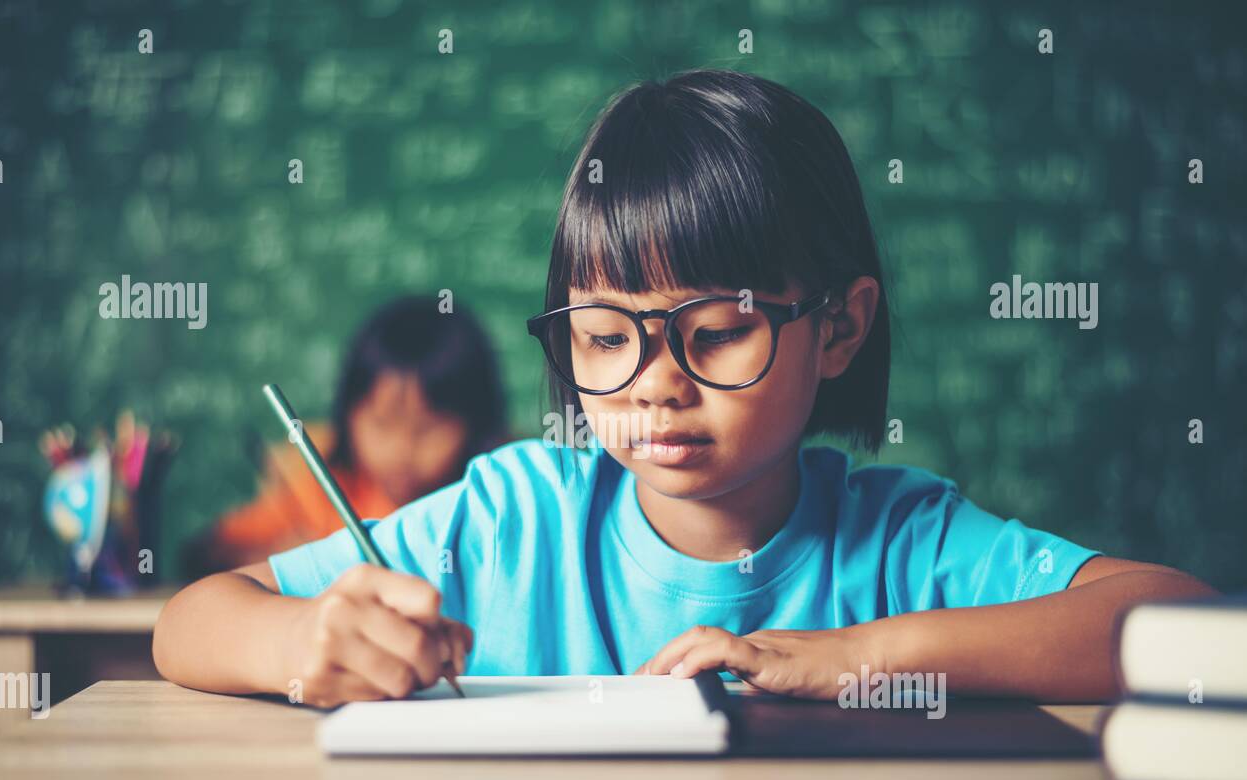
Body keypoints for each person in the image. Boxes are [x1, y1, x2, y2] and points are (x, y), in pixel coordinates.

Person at [155, 69, 1215, 705]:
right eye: (605, 337)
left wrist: (862, 657)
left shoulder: (901, 547)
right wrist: (305, 644)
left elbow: (1178, 621)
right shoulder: (511, 517)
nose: (653, 387)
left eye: (715, 333)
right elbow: (191, 621)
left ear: (838, 328)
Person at [184, 296, 509, 575]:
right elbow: (205, 554)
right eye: (382, 424)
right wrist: (281, 559)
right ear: (348, 414)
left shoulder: (499, 496)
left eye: (428, 430)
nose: (402, 449)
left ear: (476, 424)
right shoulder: (321, 487)